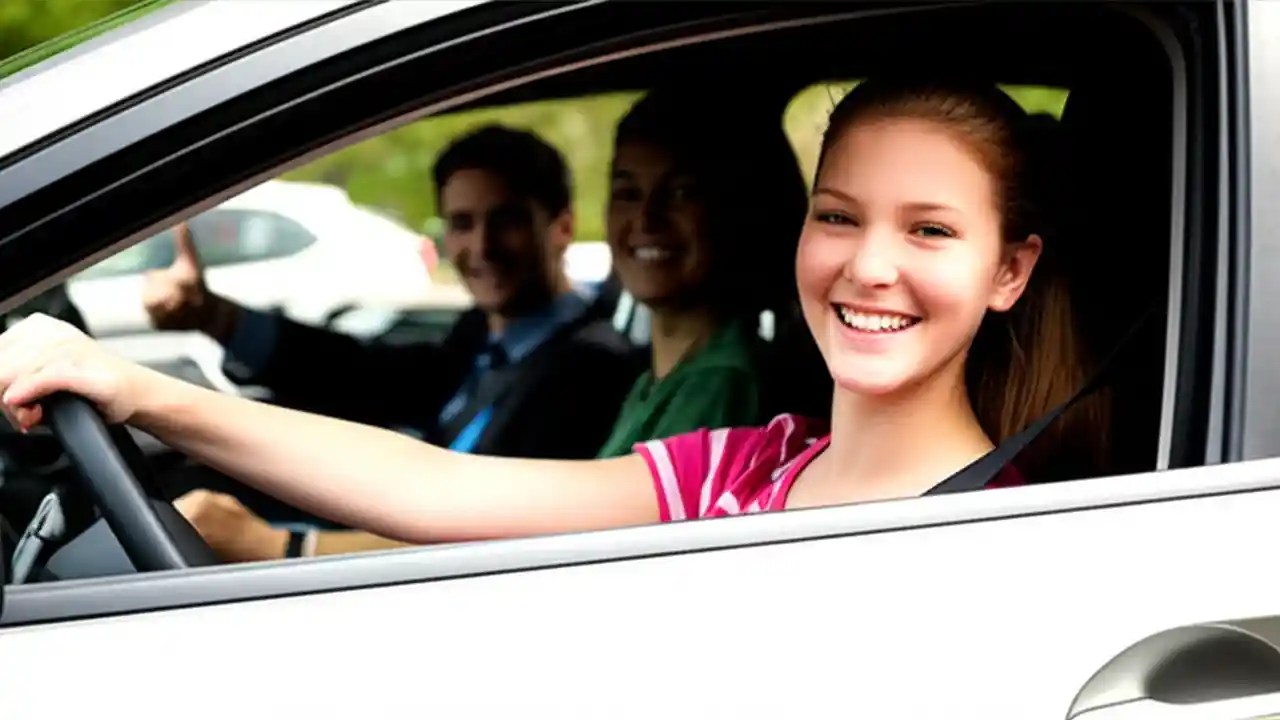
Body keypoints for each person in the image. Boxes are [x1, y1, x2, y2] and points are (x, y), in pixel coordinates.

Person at [0, 76, 1103, 554]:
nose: (868, 267)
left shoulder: (1008, 530)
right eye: (836, 216)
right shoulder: (747, 466)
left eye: (928, 231)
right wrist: (140, 389)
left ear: (1010, 270)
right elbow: (440, 487)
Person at [142, 125, 637, 462]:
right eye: (462, 223)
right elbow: (369, 377)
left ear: (563, 227)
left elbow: (493, 523)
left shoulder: (592, 369)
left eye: (505, 221)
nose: (481, 247)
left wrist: (291, 546)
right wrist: (218, 318)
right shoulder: (482, 336)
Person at [595, 86, 808, 457]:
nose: (646, 218)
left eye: (680, 193)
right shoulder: (659, 380)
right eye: (627, 193)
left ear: (736, 212)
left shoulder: (723, 383)